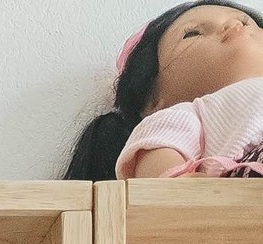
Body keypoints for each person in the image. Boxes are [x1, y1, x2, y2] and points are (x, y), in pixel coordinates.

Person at [65, 4, 263, 177]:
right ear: (153, 100)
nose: (232, 25)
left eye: (245, 21)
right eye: (192, 33)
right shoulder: (189, 113)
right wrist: (179, 184)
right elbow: (157, 155)